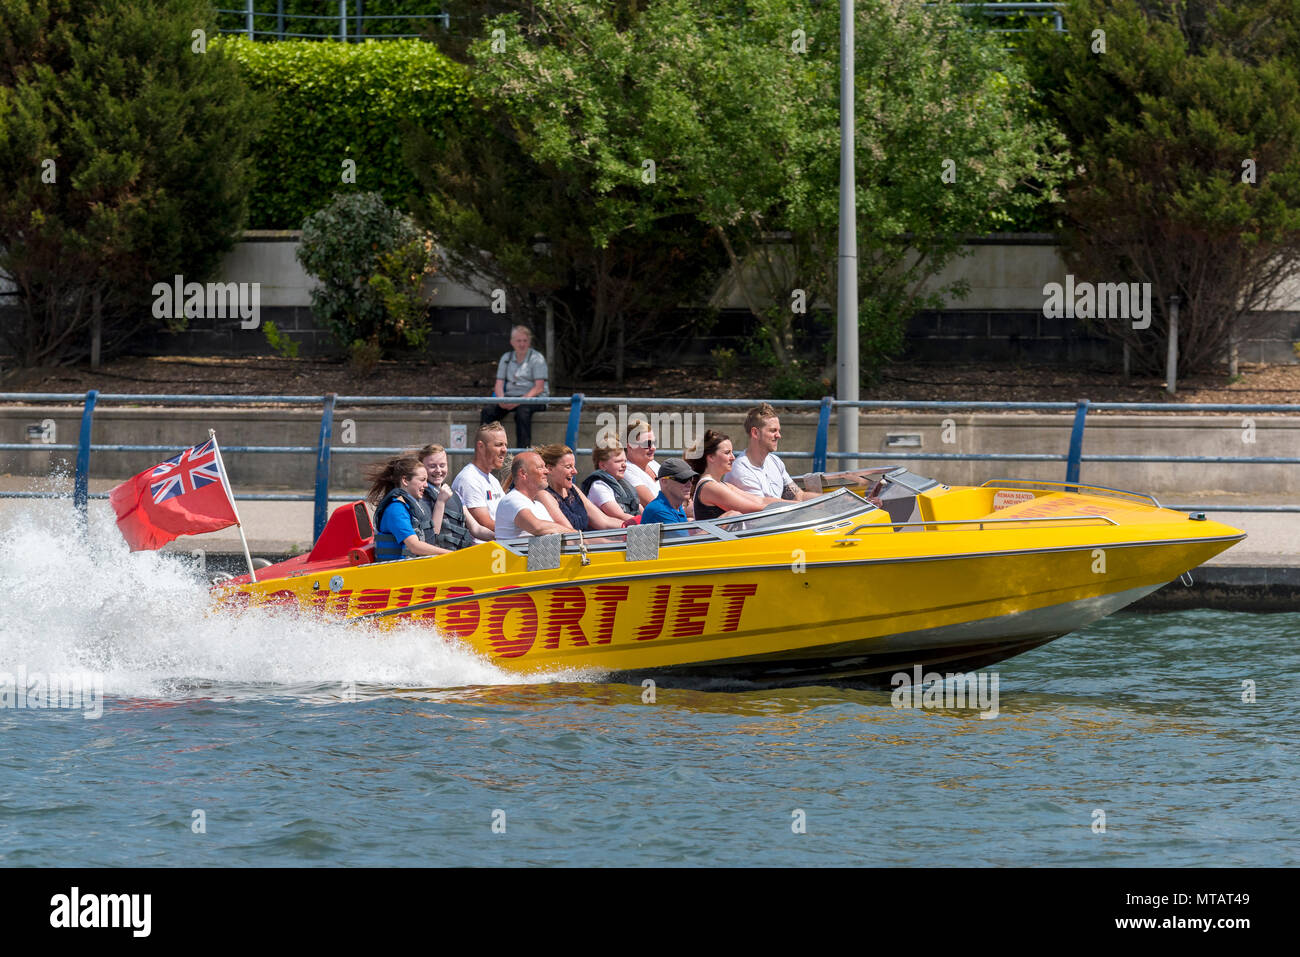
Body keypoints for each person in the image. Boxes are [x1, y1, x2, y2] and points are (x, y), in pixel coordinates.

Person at [365, 455, 452, 561]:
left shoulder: (413, 506)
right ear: (405, 480)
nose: (426, 485)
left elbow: (432, 534)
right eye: (422, 480)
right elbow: (414, 546)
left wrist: (440, 502)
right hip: (396, 571)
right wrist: (451, 555)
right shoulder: (396, 510)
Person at [726, 402, 817, 501]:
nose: (779, 436)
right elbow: (763, 509)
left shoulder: (775, 461)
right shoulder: (741, 470)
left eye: (778, 431)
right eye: (773, 431)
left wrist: (829, 499)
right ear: (755, 433)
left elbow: (799, 495)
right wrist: (800, 506)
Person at [686, 429, 784, 521]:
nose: (733, 457)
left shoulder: (723, 485)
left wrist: (797, 505)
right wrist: (792, 509)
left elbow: (760, 500)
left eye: (732, 452)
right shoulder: (709, 487)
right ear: (711, 457)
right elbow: (755, 509)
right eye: (727, 453)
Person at [481, 325, 548, 448]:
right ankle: (487, 450)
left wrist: (518, 401)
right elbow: (499, 384)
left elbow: (539, 387)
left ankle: (522, 453)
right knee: (488, 411)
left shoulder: (537, 358)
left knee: (522, 413)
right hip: (510, 398)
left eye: (525, 341)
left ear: (529, 342)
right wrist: (501, 400)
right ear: (512, 342)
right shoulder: (506, 358)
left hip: (533, 398)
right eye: (519, 341)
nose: (522, 344)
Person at [535, 443, 624, 532]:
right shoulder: (543, 495)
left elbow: (603, 521)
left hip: (587, 542)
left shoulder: (572, 489)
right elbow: (570, 534)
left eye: (574, 466)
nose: (575, 471)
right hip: (577, 544)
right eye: (568, 467)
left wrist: (632, 524)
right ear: (550, 469)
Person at [418, 444, 492, 550]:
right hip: (437, 558)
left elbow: (476, 529)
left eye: (442, 465)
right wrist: (441, 502)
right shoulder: (419, 496)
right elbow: (431, 537)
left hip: (457, 555)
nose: (438, 470)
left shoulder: (454, 495)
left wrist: (498, 536)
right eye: (432, 466)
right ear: (422, 467)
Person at [494, 450, 572, 539]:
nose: (547, 471)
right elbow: (537, 527)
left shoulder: (539, 506)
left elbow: (552, 532)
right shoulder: (511, 500)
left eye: (545, 467)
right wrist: (573, 533)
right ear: (523, 473)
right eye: (540, 467)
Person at [451, 422, 508, 533]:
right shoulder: (469, 479)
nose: (505, 450)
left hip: (500, 543)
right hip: (483, 547)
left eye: (506, 445)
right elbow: (486, 524)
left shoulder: (493, 480)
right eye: (498, 445)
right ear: (480, 446)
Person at [581, 441, 642, 523]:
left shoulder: (624, 485)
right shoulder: (599, 487)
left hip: (630, 531)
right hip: (608, 534)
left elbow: (641, 509)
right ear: (603, 465)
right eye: (618, 461)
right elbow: (619, 515)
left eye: (625, 461)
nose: (624, 465)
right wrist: (646, 523)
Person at [639, 457, 696, 527]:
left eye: (690, 479)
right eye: (683, 479)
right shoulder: (659, 510)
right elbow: (685, 537)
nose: (689, 484)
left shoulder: (677, 507)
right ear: (664, 481)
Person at [622, 417, 660, 508]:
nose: (653, 447)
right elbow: (653, 505)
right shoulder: (626, 470)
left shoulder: (653, 464)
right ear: (630, 446)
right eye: (647, 444)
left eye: (654, 442)